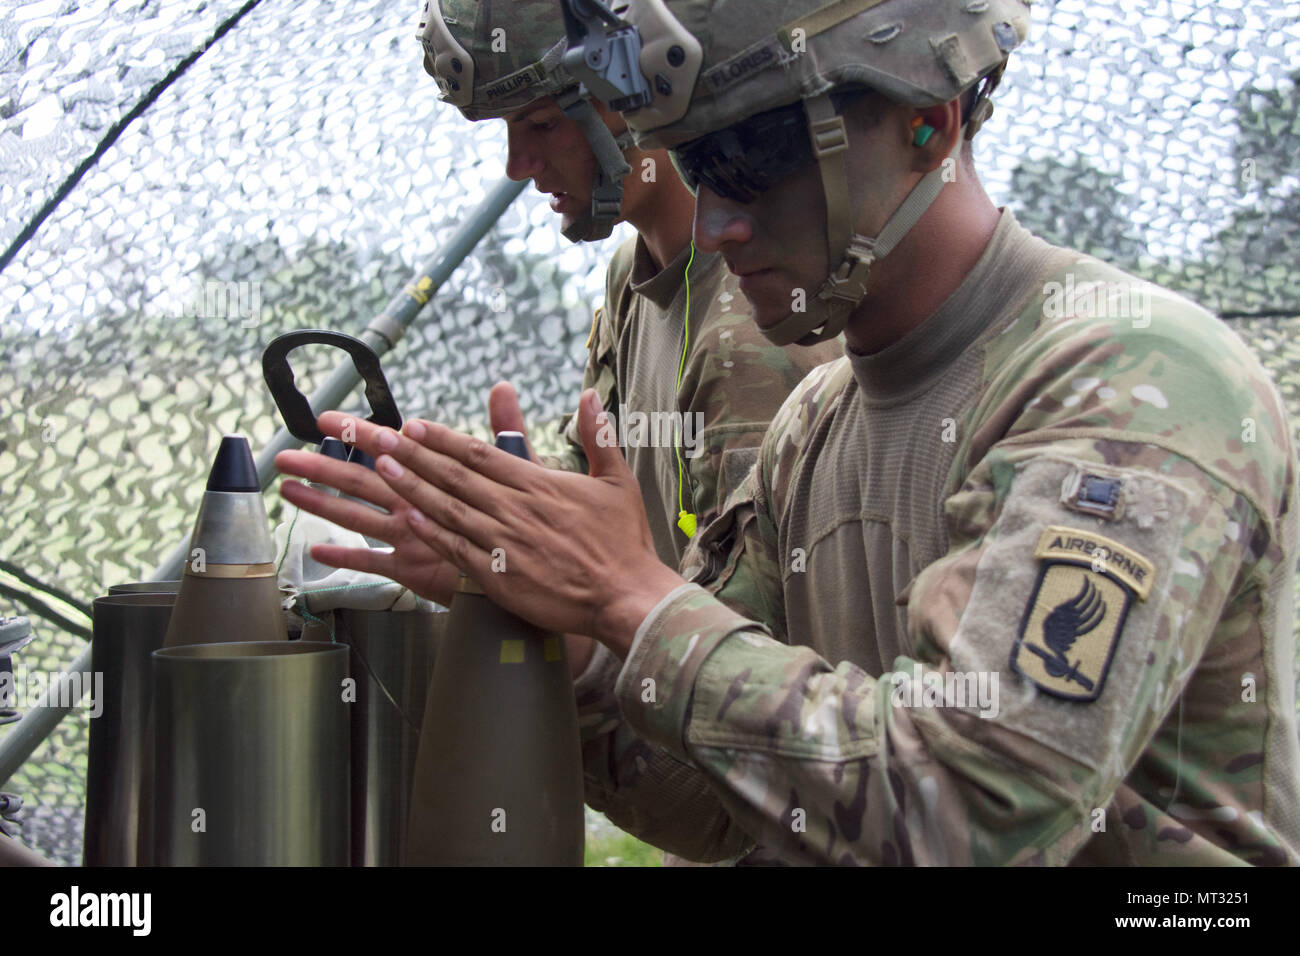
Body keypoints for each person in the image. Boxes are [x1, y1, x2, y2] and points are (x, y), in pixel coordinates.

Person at [278, 0, 1300, 865]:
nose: (717, 221)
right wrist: (561, 627)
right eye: (690, 162)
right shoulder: (815, 421)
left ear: (927, 125)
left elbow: (978, 806)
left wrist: (633, 599)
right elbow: (716, 797)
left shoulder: (1131, 382)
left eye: (751, 156)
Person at [278, 0, 839, 629]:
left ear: (635, 102)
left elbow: (734, 658)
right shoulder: (635, 273)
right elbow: (596, 489)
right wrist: (475, 496)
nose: (518, 164)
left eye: (542, 124)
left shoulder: (748, 341)